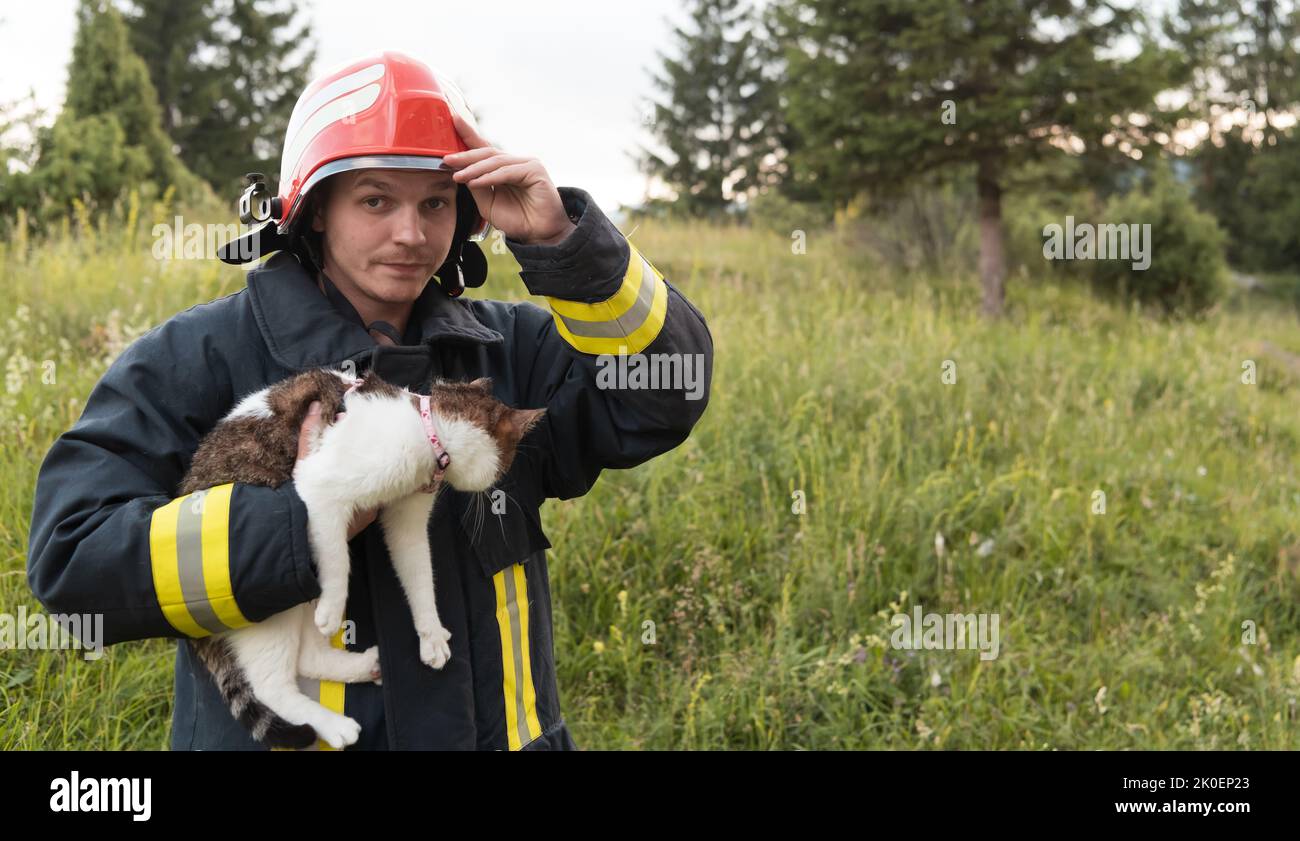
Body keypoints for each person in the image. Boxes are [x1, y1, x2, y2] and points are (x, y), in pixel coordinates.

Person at [26, 51, 713, 750]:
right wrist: (301, 523)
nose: (411, 234)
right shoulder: (200, 358)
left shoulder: (510, 352)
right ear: (316, 210)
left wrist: (565, 245)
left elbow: (672, 386)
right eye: (376, 199)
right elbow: (74, 557)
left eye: (436, 203)